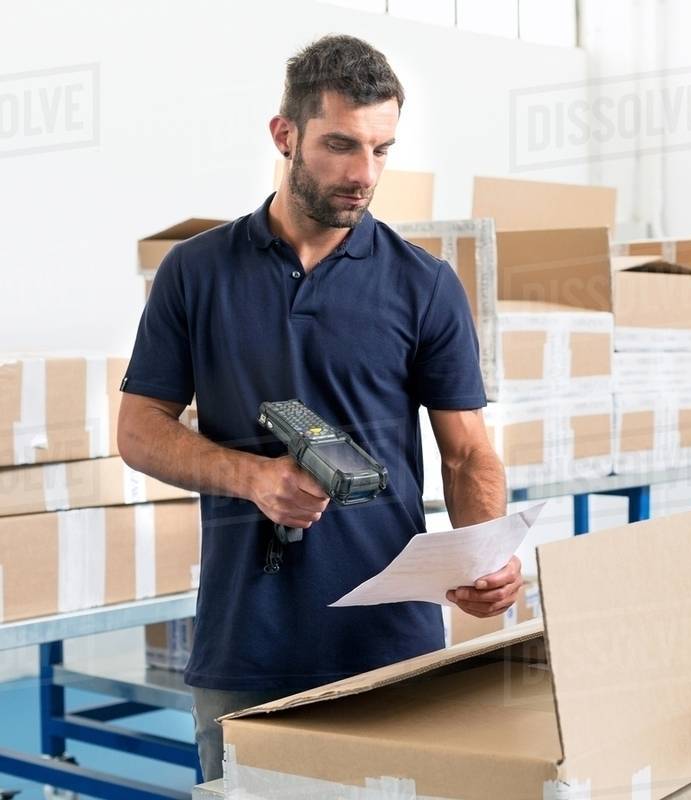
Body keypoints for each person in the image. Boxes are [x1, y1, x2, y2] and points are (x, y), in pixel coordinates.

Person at [116, 34, 519, 782]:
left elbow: (466, 452)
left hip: (391, 650)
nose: (363, 174)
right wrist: (252, 478)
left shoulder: (423, 285)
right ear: (285, 135)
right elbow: (138, 432)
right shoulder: (195, 274)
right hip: (247, 646)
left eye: (381, 149)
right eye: (340, 145)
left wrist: (485, 555)